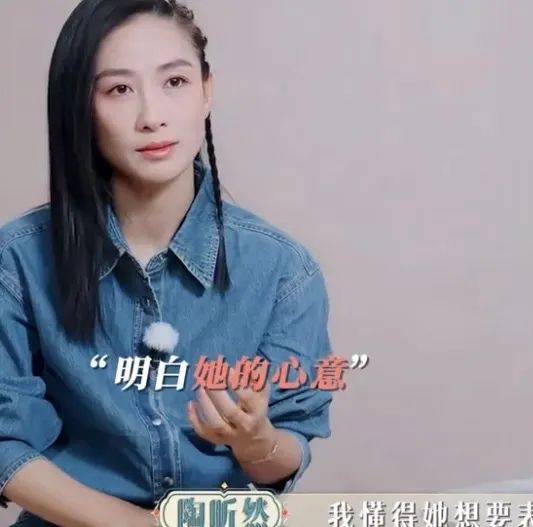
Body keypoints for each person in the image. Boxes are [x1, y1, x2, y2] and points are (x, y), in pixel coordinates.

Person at [0, 1, 334, 525]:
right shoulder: (17, 262)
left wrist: (256, 441)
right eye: (119, 89)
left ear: (206, 90)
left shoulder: (283, 272)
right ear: (80, 108)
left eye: (174, 82)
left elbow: (291, 444)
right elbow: (5, 442)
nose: (151, 116)